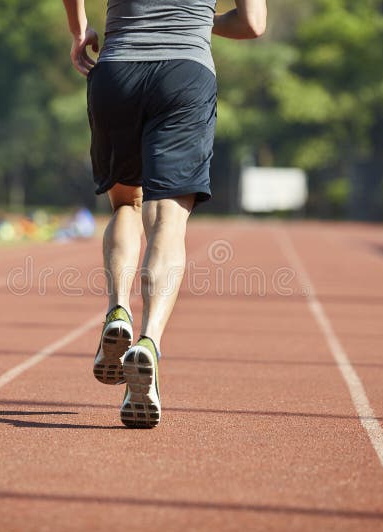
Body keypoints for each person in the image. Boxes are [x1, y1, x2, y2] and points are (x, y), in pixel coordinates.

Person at [61, 0, 267, 428]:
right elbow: (253, 23)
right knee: (168, 221)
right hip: (184, 73)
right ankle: (148, 342)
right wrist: (193, 19)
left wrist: (79, 29)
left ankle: (118, 309)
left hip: (117, 71)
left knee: (125, 204)